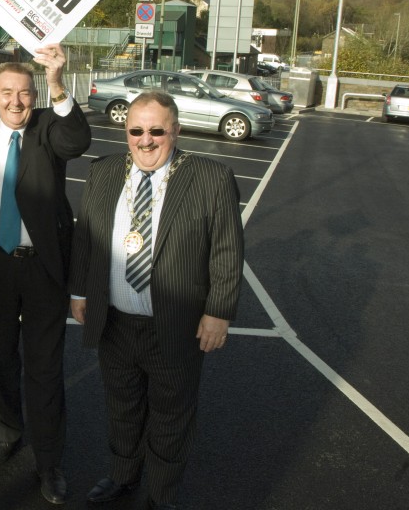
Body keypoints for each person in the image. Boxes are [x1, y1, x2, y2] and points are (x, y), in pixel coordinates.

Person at [69, 90, 243, 510]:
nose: (145, 140)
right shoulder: (104, 171)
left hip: (174, 323)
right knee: (122, 406)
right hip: (115, 322)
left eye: (156, 131)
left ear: (175, 131)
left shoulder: (211, 177)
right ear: (126, 132)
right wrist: (79, 291)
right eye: (136, 131)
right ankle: (123, 475)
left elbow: (226, 250)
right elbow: (85, 237)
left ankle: (162, 495)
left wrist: (218, 311)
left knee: (171, 415)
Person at [0, 45, 91, 505]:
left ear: (35, 96)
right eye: (7, 92)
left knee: (44, 368)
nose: (16, 101)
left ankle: (49, 462)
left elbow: (78, 142)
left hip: (43, 269)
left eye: (25, 93)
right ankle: (6, 432)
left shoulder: (48, 129)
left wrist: (56, 82)